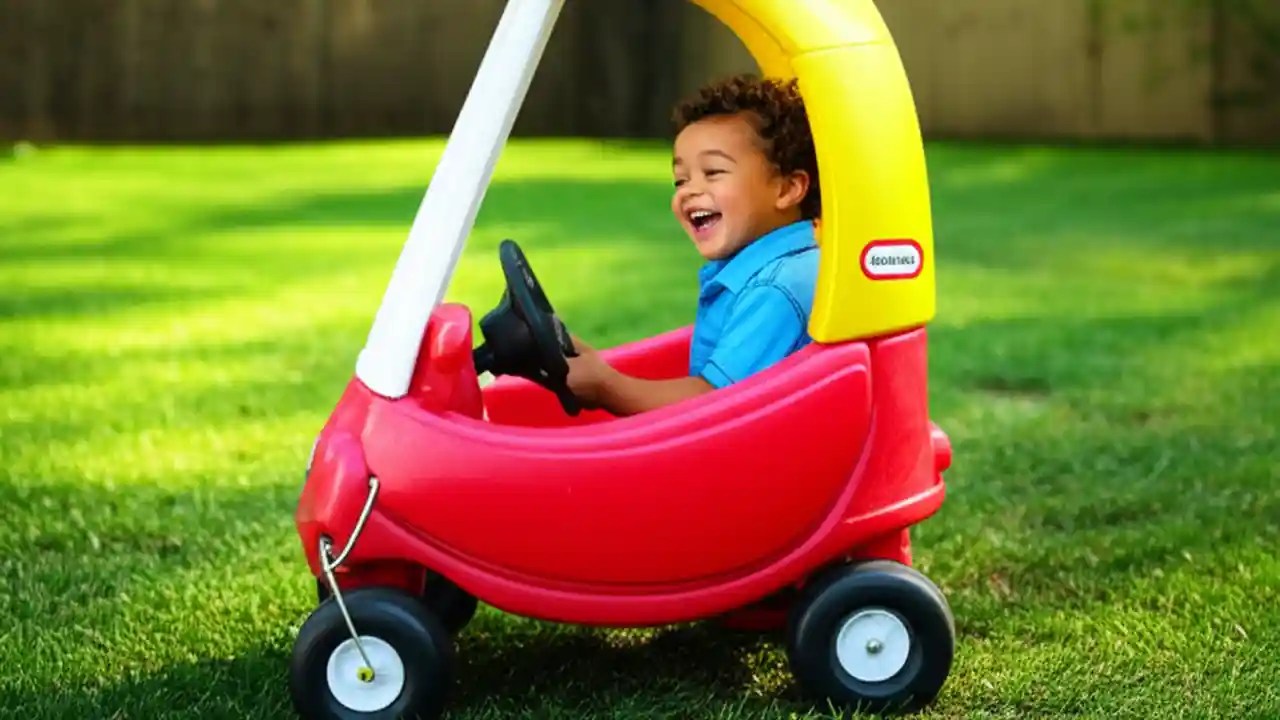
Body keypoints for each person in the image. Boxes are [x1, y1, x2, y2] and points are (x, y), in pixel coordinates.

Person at [566, 74, 821, 416]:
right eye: (681, 179)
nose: (688, 190)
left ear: (787, 189)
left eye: (713, 172)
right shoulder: (776, 270)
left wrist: (606, 386)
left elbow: (713, 404)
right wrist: (599, 369)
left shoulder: (776, 286)